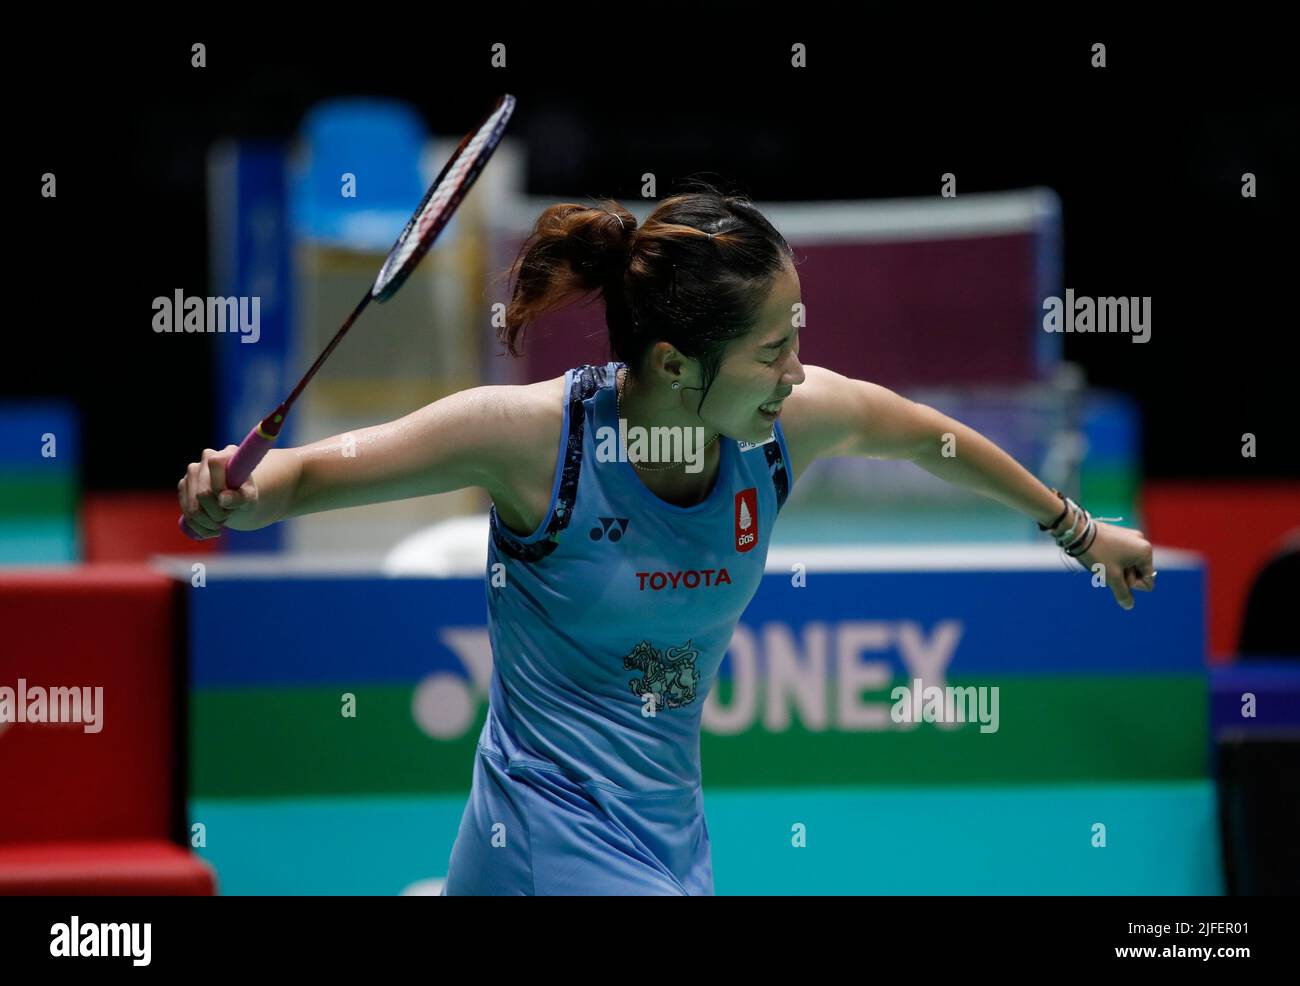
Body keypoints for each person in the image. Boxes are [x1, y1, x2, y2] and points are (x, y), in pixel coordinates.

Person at [177, 190, 1155, 894]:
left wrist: (1079, 531)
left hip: (666, 833)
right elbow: (307, 472)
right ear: (675, 363)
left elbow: (926, 436)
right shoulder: (533, 441)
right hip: (542, 822)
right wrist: (238, 489)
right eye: (772, 351)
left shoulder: (784, 427)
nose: (795, 373)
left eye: (796, 339)